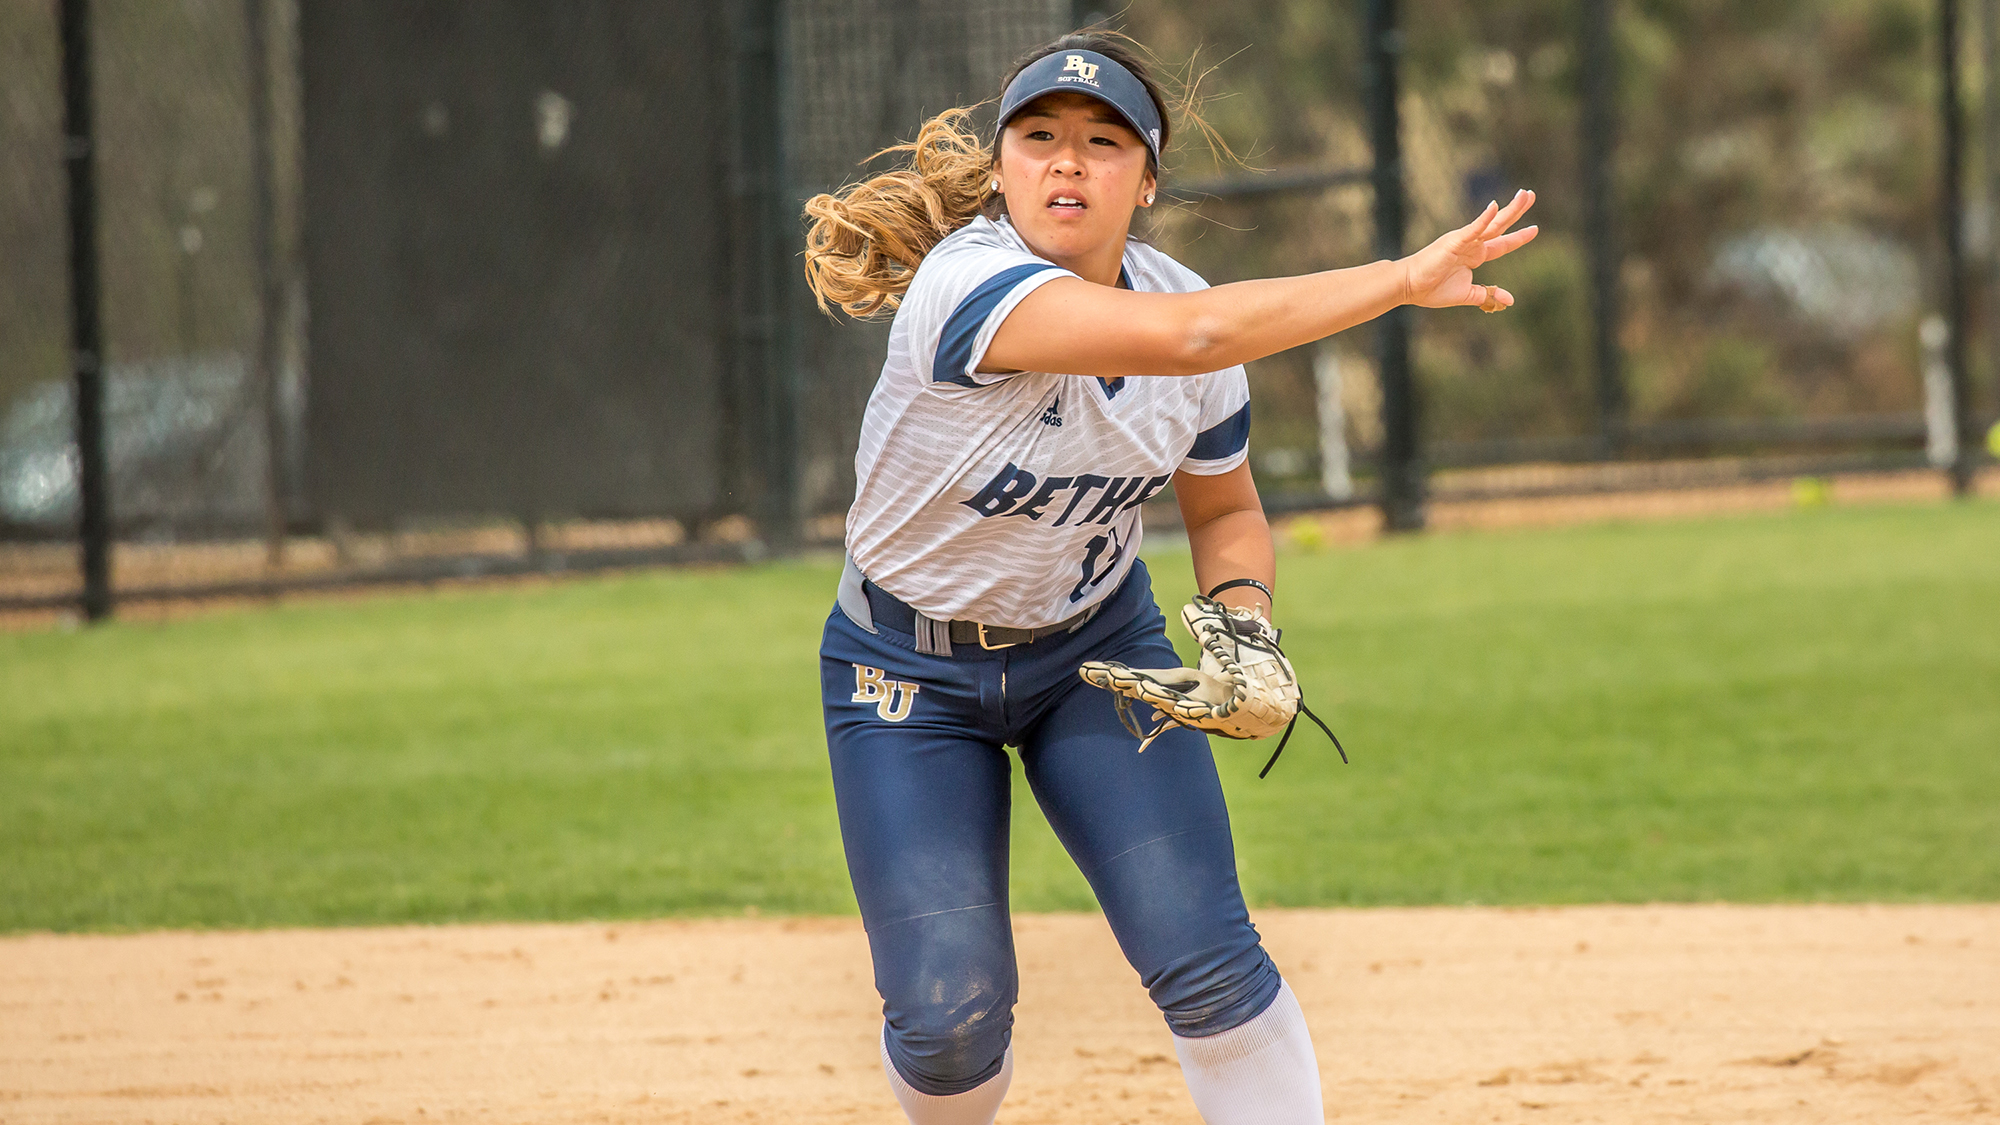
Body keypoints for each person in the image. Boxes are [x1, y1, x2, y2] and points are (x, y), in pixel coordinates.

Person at [802, 30, 1536, 1125]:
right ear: (1000, 168)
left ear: (1144, 183)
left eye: (1103, 143)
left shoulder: (1182, 305)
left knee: (1207, 960)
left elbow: (1226, 508)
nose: (1066, 161)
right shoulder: (968, 288)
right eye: (1039, 136)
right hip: (903, 676)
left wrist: (1244, 628)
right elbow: (1188, 336)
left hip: (1094, 653)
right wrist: (1398, 280)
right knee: (947, 1018)